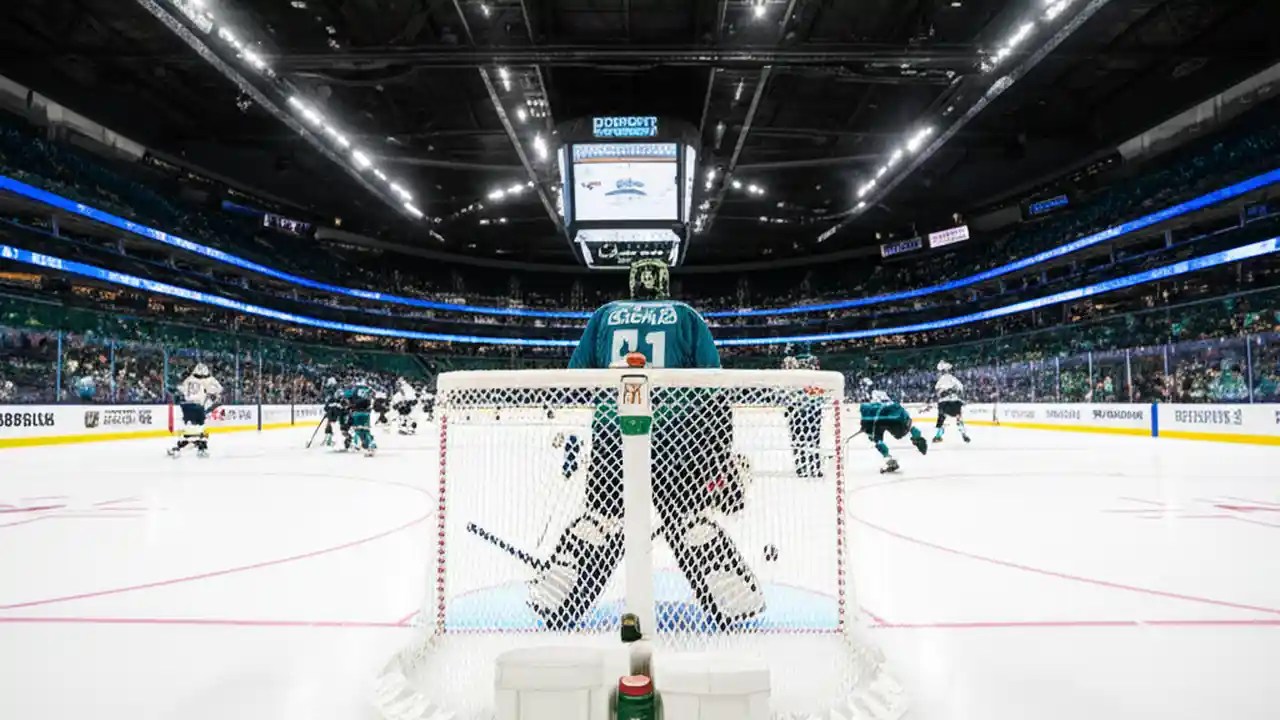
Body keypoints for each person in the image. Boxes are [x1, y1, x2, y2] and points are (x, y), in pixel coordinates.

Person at [530, 258, 761, 631]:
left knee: (601, 523)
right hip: (680, 442)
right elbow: (715, 386)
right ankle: (735, 603)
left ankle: (557, 601)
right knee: (691, 524)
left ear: (633, 284)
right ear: (665, 284)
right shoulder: (686, 315)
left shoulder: (605, 315)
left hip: (613, 436)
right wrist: (721, 451)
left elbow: (575, 381)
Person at [860, 388, 929, 474]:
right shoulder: (893, 403)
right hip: (898, 419)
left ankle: (888, 458)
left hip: (882, 420)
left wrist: (867, 430)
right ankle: (917, 437)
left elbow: (868, 419)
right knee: (908, 429)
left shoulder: (872, 406)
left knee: (877, 440)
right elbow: (906, 417)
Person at [167, 363, 223, 458]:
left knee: (189, 429)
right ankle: (202, 448)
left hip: (186, 406)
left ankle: (179, 446)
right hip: (198, 407)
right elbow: (219, 389)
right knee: (201, 430)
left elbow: (180, 388)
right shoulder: (208, 380)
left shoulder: (189, 379)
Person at [784, 353, 824, 479]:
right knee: (800, 441)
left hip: (811, 412)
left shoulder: (814, 380)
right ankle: (803, 467)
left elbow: (819, 395)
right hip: (798, 412)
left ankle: (813, 467)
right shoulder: (791, 381)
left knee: (812, 441)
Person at [933, 361, 971, 444]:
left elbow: (937, 392)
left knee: (942, 419)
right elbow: (961, 388)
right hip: (955, 401)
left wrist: (944, 393)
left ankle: (938, 436)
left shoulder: (940, 380)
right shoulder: (953, 379)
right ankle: (963, 433)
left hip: (943, 403)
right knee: (959, 418)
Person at [346, 379, 377, 456]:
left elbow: (347, 395)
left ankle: (357, 444)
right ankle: (371, 445)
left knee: (357, 430)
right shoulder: (369, 389)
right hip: (367, 412)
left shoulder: (355, 389)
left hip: (357, 412)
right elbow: (374, 396)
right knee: (365, 430)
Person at [321, 377, 351, 449]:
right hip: (337, 412)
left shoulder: (335, 392)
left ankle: (332, 438)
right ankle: (331, 438)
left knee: (339, 426)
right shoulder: (333, 392)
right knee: (337, 425)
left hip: (338, 413)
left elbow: (344, 403)